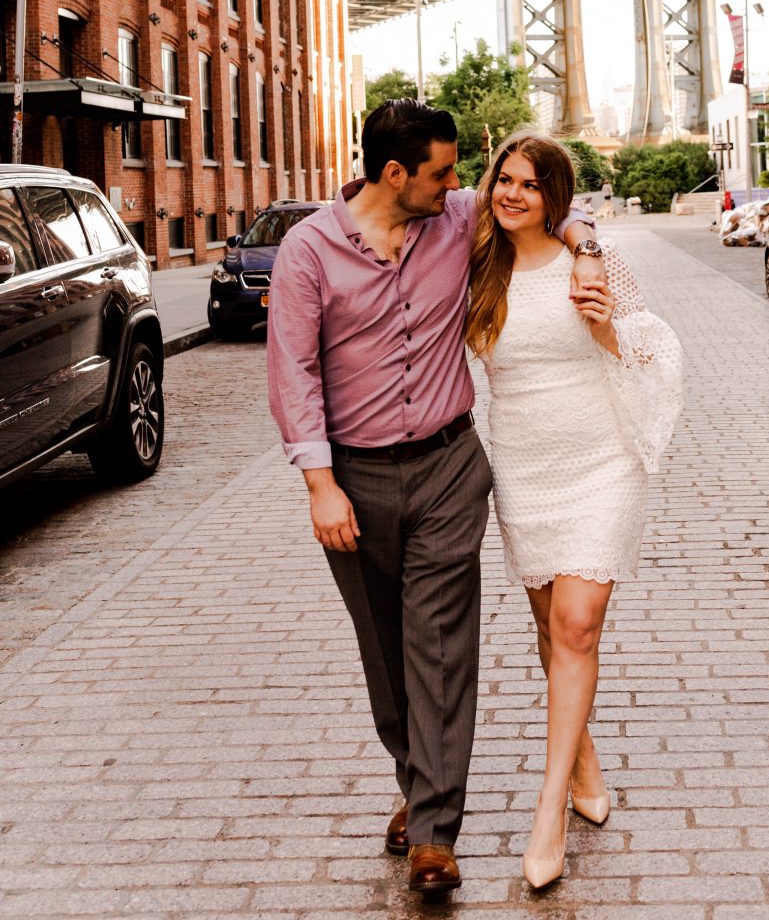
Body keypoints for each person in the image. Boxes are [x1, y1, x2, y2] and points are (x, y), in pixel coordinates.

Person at [266, 100, 602, 897]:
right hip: (354, 475)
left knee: (442, 649)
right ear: (395, 175)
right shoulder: (309, 249)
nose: (464, 188)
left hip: (452, 465)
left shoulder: (454, 217)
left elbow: (550, 200)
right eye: (445, 173)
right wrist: (319, 484)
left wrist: (586, 244)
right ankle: (417, 785)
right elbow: (293, 372)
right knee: (385, 651)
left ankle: (434, 837)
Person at [466, 132, 682, 891]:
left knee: (576, 625)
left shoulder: (591, 261)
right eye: (505, 179)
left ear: (556, 198)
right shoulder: (478, 264)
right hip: (523, 467)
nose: (513, 193)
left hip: (601, 462)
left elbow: (653, 350)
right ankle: (583, 757)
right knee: (551, 625)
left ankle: (549, 807)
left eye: (531, 184)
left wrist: (602, 323)